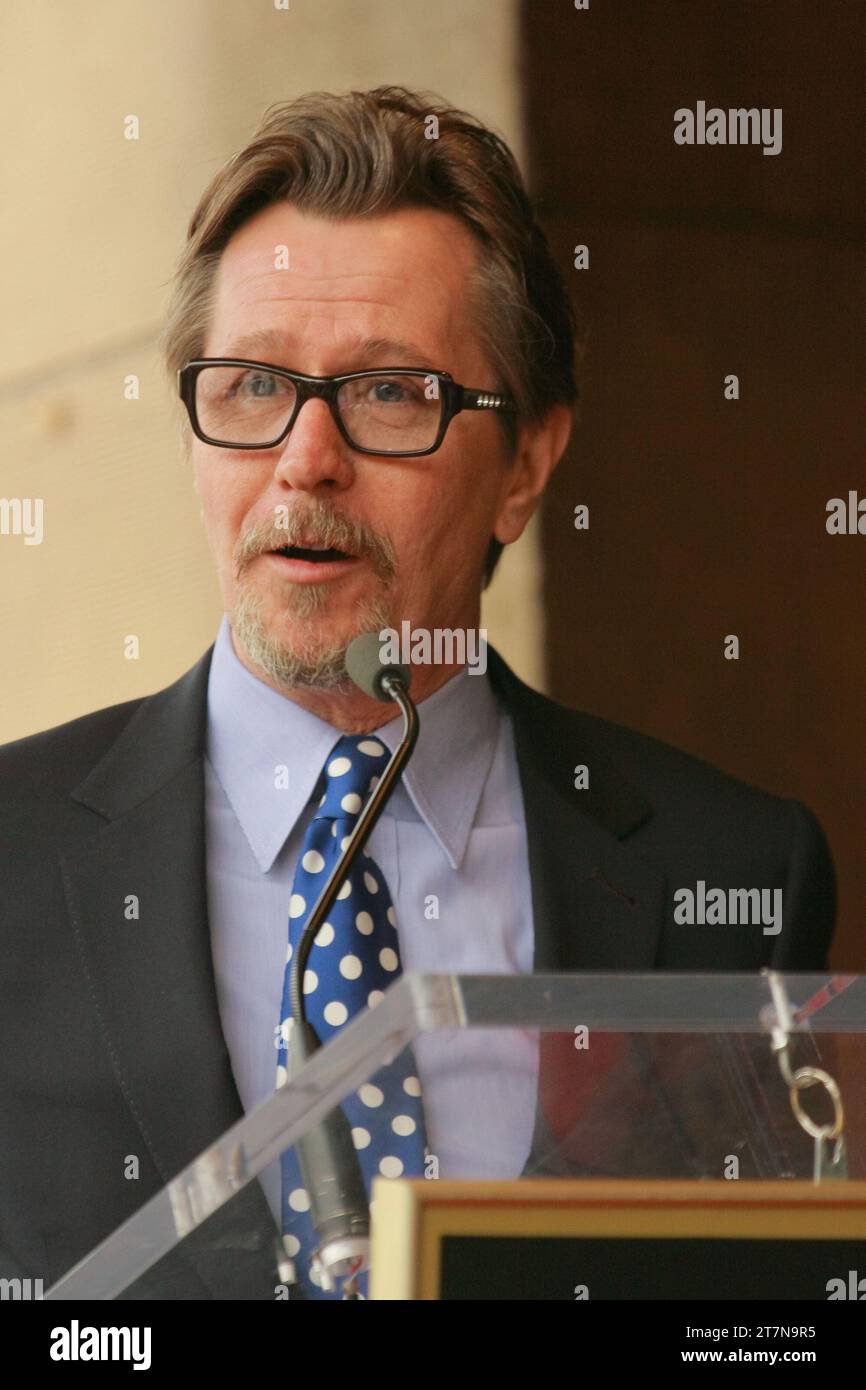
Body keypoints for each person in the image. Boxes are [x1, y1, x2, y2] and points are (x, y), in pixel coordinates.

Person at [0, 87, 835, 1300]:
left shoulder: (733, 874)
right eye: (248, 387)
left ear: (527, 464)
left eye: (390, 393)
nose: (304, 458)